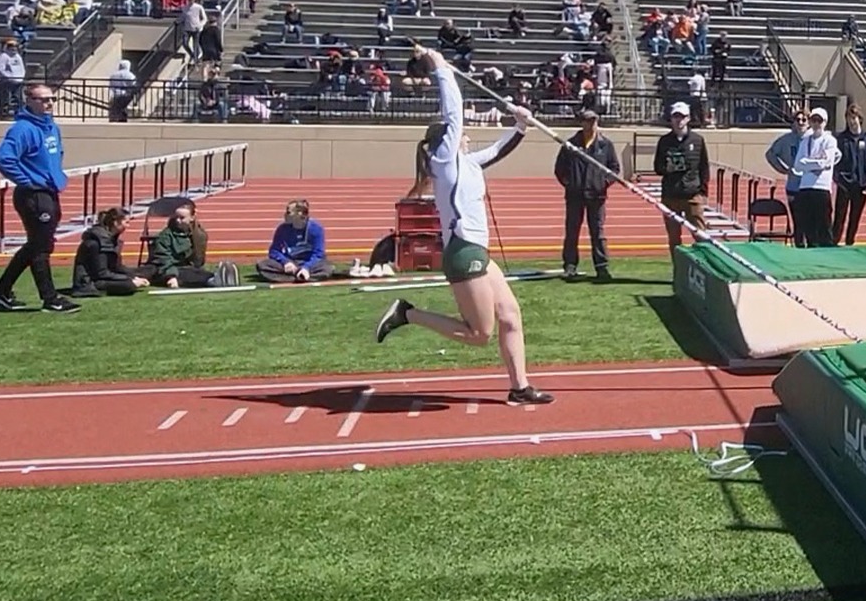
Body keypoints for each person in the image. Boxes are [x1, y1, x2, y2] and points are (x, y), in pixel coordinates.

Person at [374, 48, 552, 405]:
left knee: (511, 316)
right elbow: (453, 110)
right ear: (448, 139)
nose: (466, 133)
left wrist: (520, 123)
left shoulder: (468, 164)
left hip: (477, 251)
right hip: (462, 251)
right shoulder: (444, 163)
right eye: (459, 132)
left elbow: (500, 150)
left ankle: (520, 387)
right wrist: (440, 68)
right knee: (478, 334)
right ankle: (407, 313)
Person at [0, 82, 80, 312]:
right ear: (29, 101)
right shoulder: (23, 129)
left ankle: (1, 289)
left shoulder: (51, 127)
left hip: (49, 191)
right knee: (40, 248)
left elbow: (56, 154)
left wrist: (56, 176)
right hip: (33, 195)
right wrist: (29, 180)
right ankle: (50, 298)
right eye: (43, 99)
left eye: (52, 99)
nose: (49, 104)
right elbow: (4, 159)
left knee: (37, 244)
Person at [554, 108, 620, 280]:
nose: (591, 124)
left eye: (593, 121)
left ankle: (601, 266)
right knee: (572, 231)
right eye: (587, 121)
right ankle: (570, 265)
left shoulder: (605, 144)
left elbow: (614, 169)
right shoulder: (570, 144)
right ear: (581, 122)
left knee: (598, 232)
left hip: (597, 196)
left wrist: (604, 183)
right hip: (575, 196)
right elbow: (560, 169)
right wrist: (570, 183)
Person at [653, 101, 708, 248]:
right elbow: (657, 167)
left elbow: (704, 167)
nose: (679, 120)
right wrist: (669, 167)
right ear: (671, 119)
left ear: (688, 118)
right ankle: (678, 268)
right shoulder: (664, 141)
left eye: (682, 117)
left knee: (701, 235)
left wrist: (702, 191)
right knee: (674, 239)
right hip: (671, 195)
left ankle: (705, 267)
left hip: (692, 194)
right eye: (676, 117)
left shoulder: (697, 140)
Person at [789, 107, 840, 247]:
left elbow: (827, 162)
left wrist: (809, 163)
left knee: (824, 227)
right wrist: (815, 163)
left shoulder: (830, 141)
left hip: (822, 188)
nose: (816, 123)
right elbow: (798, 164)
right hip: (805, 187)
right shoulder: (805, 141)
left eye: (819, 120)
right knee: (808, 227)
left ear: (825, 122)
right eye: (813, 120)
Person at [69, 208, 146, 297]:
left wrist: (135, 276)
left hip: (102, 277)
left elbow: (117, 267)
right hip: (89, 283)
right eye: (126, 222)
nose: (128, 226)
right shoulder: (97, 242)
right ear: (116, 222)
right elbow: (102, 273)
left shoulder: (112, 239)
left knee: (146, 272)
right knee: (129, 285)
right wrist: (130, 280)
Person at [256, 200, 335, 283]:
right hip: (290, 262)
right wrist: (286, 262)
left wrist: (306, 267)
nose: (285, 215)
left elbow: (318, 254)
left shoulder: (315, 228)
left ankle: (294, 277)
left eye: (288, 212)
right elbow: (274, 251)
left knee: (328, 267)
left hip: (310, 263)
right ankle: (301, 277)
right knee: (262, 264)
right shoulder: (282, 229)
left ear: (299, 214)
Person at [832, 105, 866, 246]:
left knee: (855, 217)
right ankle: (834, 241)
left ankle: (850, 241)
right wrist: (838, 178)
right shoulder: (841, 139)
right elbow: (835, 161)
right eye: (849, 118)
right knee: (840, 216)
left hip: (861, 185)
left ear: (859, 119)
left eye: (854, 118)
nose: (852, 121)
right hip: (844, 184)